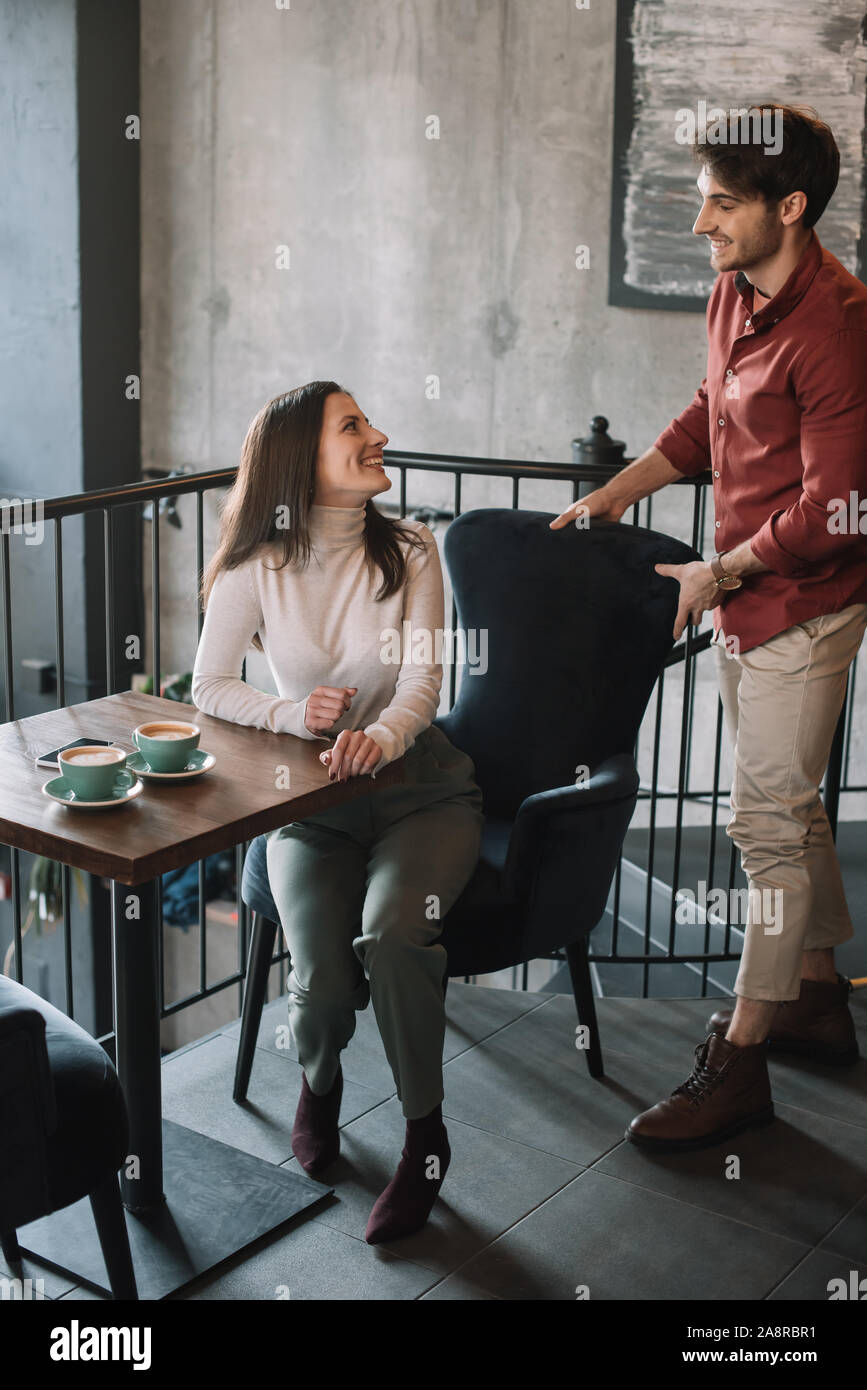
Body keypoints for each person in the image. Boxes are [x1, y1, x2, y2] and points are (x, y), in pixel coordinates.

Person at [551, 104, 867, 1150]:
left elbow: (833, 508)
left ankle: (738, 1065)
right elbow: (707, 418)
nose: (702, 224)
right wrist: (617, 494)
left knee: (764, 829)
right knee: (792, 810)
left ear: (790, 207)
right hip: (739, 595)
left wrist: (721, 569)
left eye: (722, 204)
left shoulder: (841, 327)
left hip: (806, 607)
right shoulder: (736, 290)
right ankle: (817, 996)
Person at [192, 381, 483, 1238]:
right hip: (309, 802)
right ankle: (320, 1088)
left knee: (393, 935)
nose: (378, 435)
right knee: (317, 982)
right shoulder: (257, 565)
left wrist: (381, 737)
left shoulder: (414, 551)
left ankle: (424, 1138)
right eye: (353, 427)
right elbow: (208, 684)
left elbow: (426, 681)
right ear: (299, 459)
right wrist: (292, 714)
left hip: (419, 790)